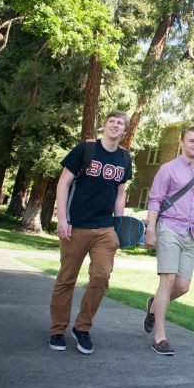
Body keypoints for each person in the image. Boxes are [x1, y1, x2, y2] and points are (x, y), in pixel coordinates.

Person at [47, 111, 132, 355]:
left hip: (105, 229)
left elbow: (120, 192)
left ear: (125, 131)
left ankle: (82, 327)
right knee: (66, 279)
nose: (115, 125)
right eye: (112, 122)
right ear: (104, 126)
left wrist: (120, 224)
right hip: (76, 226)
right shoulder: (86, 149)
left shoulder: (125, 158)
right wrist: (62, 219)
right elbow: (63, 183)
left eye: (120, 124)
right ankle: (57, 328)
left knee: (101, 277)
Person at [143, 126, 194, 355]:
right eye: (191, 140)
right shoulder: (167, 169)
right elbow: (154, 200)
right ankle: (159, 337)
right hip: (169, 227)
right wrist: (150, 230)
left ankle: (154, 306)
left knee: (183, 286)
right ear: (182, 143)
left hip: (190, 234)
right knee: (168, 280)